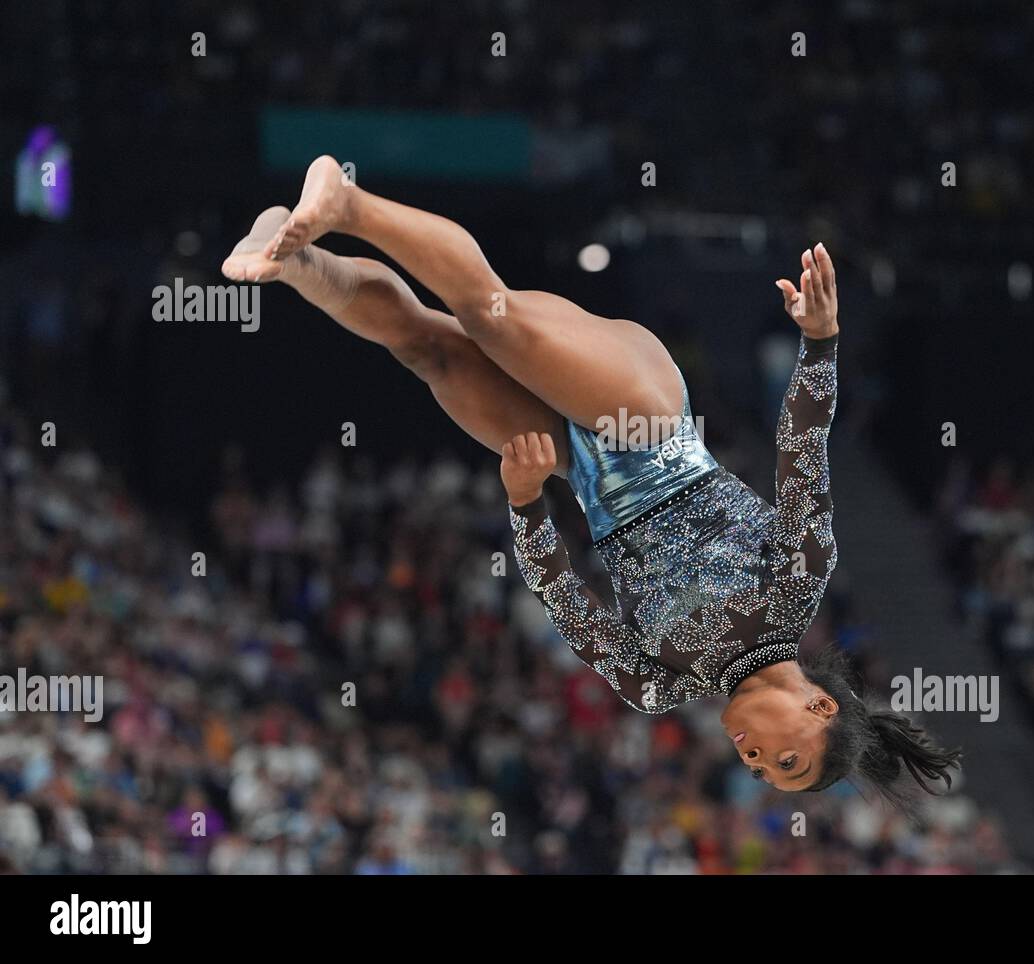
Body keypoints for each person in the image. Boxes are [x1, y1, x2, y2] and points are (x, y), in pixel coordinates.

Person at [223, 156, 960, 798]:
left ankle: (293, 257)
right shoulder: (797, 583)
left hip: (575, 471)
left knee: (429, 351)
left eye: (767, 775)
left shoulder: (658, 686)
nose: (759, 763)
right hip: (645, 414)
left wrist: (525, 504)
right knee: (491, 316)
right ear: (819, 708)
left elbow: (564, 598)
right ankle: (346, 202)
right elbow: (802, 445)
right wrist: (823, 342)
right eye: (787, 758)